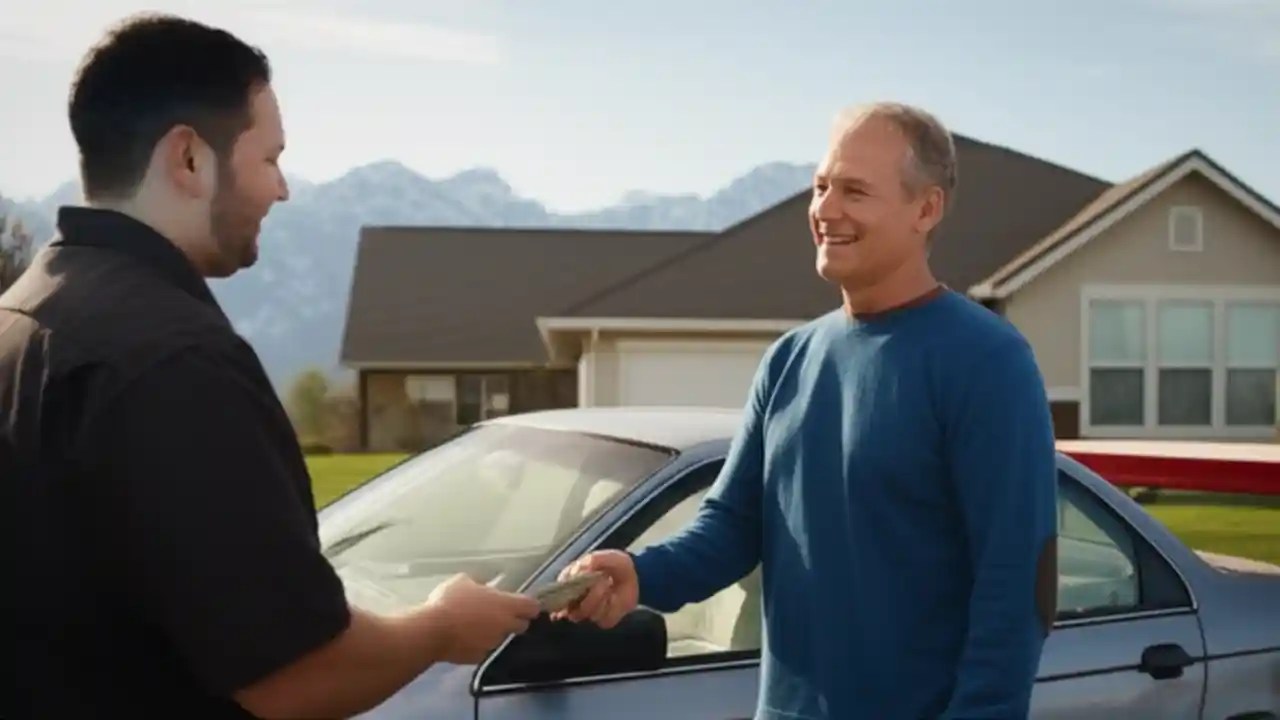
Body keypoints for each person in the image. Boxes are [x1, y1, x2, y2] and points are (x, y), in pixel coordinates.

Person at [0, 13, 539, 720]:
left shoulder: (21, 317)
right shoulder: (173, 360)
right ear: (189, 159)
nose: (282, 189)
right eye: (270, 158)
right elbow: (297, 676)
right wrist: (440, 625)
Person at [555, 102, 1060, 719]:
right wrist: (640, 573)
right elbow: (733, 528)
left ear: (925, 209)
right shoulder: (789, 359)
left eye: (854, 191)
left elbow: (1016, 589)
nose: (825, 210)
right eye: (821, 186)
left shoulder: (987, 362)